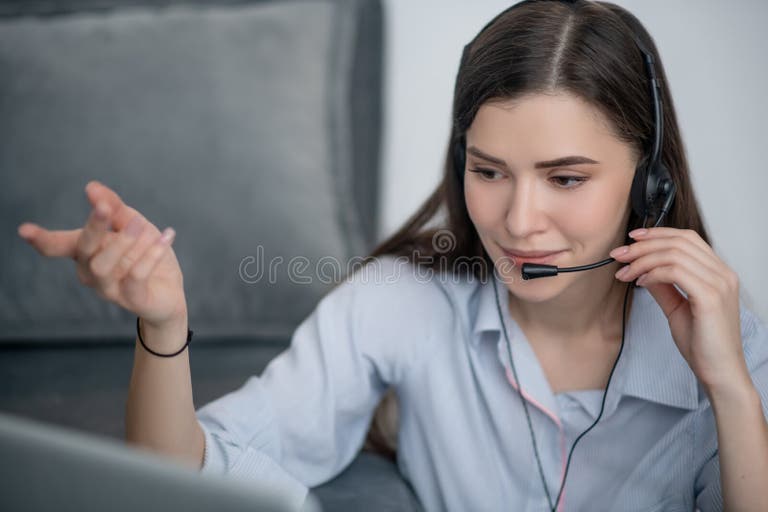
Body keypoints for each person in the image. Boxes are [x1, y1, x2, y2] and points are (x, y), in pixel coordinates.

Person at [16, 0, 768, 510]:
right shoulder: (404, 301)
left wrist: (729, 387)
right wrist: (163, 323)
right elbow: (186, 470)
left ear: (652, 180)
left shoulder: (723, 335)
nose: (518, 220)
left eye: (566, 178)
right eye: (489, 171)